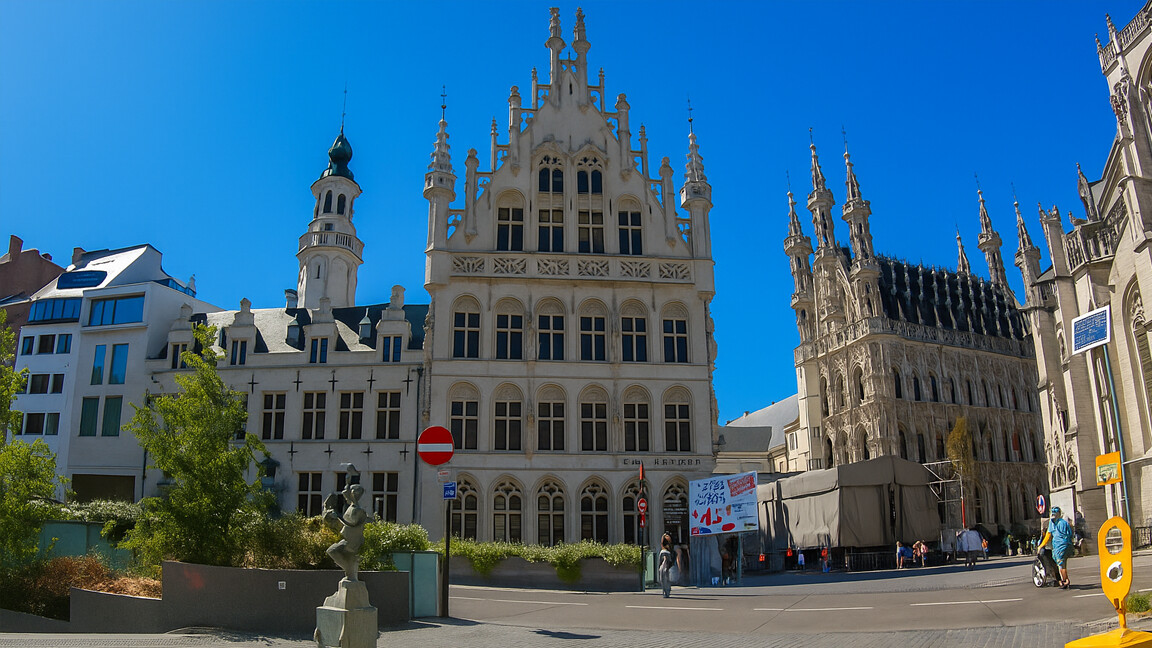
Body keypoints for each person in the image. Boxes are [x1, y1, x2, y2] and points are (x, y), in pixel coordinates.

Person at [1039, 506, 1075, 589]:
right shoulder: (1064, 522)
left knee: (1060, 565)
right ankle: (1065, 580)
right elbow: (1070, 533)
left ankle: (1065, 581)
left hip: (1059, 546)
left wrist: (1041, 546)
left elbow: (1048, 535)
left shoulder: (1052, 522)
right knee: (1064, 563)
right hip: (1067, 544)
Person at [658, 534, 675, 598]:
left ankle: (665, 592)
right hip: (666, 566)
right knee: (665, 579)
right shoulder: (667, 550)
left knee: (664, 579)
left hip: (665, 566)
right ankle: (666, 591)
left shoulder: (664, 551)